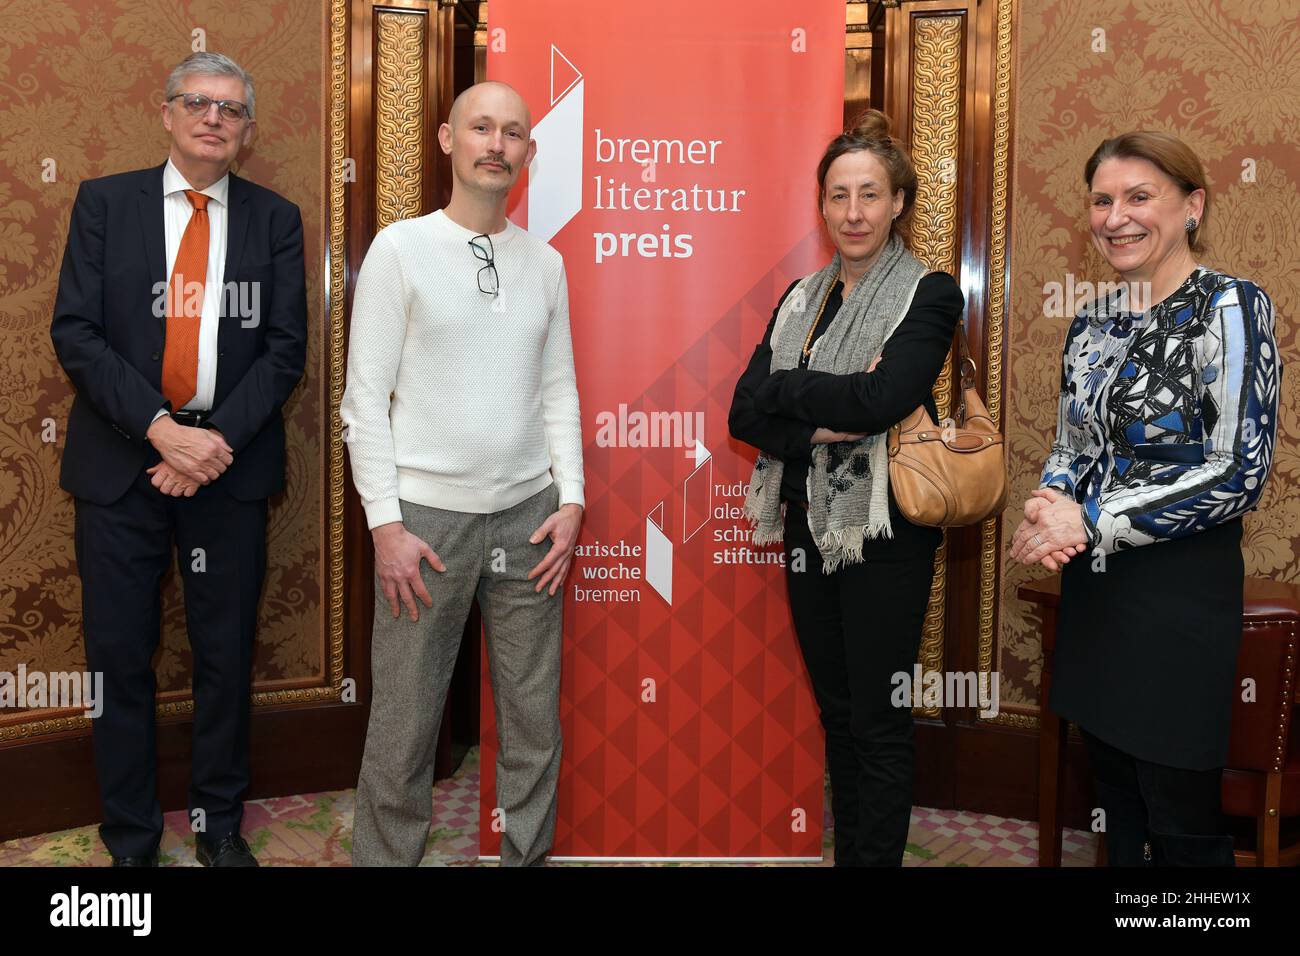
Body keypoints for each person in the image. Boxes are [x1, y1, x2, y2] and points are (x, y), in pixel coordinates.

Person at [50, 52, 308, 867]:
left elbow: (283, 350)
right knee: (119, 657)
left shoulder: (275, 218)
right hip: (123, 465)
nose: (213, 118)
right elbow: (76, 334)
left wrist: (208, 445)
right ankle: (130, 837)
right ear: (166, 113)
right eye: (196, 103)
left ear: (246, 130)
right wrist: (163, 433)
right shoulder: (103, 203)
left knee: (224, 658)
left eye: (230, 109)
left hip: (226, 468)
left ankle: (218, 827)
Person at [1010, 130, 1278, 866]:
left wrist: (1091, 519)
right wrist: (1049, 503)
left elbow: (1237, 471)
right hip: (1097, 594)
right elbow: (1073, 447)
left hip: (1179, 597)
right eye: (1101, 200)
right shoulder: (1092, 320)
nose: (1115, 216)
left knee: (1181, 817)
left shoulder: (1231, 306)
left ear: (1191, 207)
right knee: (1115, 804)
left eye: (1138, 197)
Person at [341, 81, 584, 867]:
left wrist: (573, 498)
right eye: (480, 126)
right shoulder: (400, 249)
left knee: (531, 721)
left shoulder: (546, 264)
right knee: (405, 724)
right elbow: (361, 402)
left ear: (529, 154)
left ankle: (525, 859)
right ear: (448, 140)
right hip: (424, 526)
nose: (496, 143)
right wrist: (386, 526)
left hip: (528, 518)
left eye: (513, 132)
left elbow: (558, 390)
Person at [729, 110, 964, 866]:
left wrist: (787, 390)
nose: (854, 212)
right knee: (837, 713)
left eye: (871, 194)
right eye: (839, 195)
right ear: (822, 204)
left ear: (899, 202)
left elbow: (880, 401)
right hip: (807, 522)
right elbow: (741, 409)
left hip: (885, 530)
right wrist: (813, 419)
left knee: (880, 720)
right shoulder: (802, 294)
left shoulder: (929, 293)